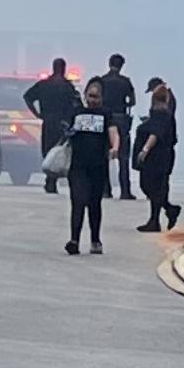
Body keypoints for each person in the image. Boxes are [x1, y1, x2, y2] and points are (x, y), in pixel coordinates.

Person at [64, 77, 118, 256]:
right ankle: (74, 240)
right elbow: (67, 131)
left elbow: (113, 131)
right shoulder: (76, 112)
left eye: (97, 96)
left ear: (101, 98)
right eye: (91, 96)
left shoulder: (105, 114)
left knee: (94, 204)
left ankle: (95, 240)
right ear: (85, 95)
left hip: (97, 166)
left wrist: (115, 147)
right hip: (78, 166)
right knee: (77, 202)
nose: (93, 99)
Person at [23, 58, 80, 194]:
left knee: (48, 151)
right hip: (63, 124)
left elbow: (27, 97)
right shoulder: (68, 87)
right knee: (59, 151)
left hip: (48, 122)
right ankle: (52, 180)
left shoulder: (44, 85)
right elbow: (76, 105)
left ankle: (50, 180)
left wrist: (36, 113)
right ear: (64, 68)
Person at [134, 83, 180, 232]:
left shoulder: (161, 114)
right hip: (164, 156)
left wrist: (145, 149)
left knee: (150, 185)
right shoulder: (164, 115)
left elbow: (156, 133)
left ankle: (155, 219)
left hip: (157, 157)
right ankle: (168, 209)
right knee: (158, 187)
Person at [101, 54, 138, 201]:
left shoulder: (102, 81)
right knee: (123, 158)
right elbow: (132, 101)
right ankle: (125, 191)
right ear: (122, 65)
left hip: (106, 120)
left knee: (104, 156)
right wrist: (124, 105)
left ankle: (105, 190)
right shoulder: (125, 82)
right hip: (121, 119)